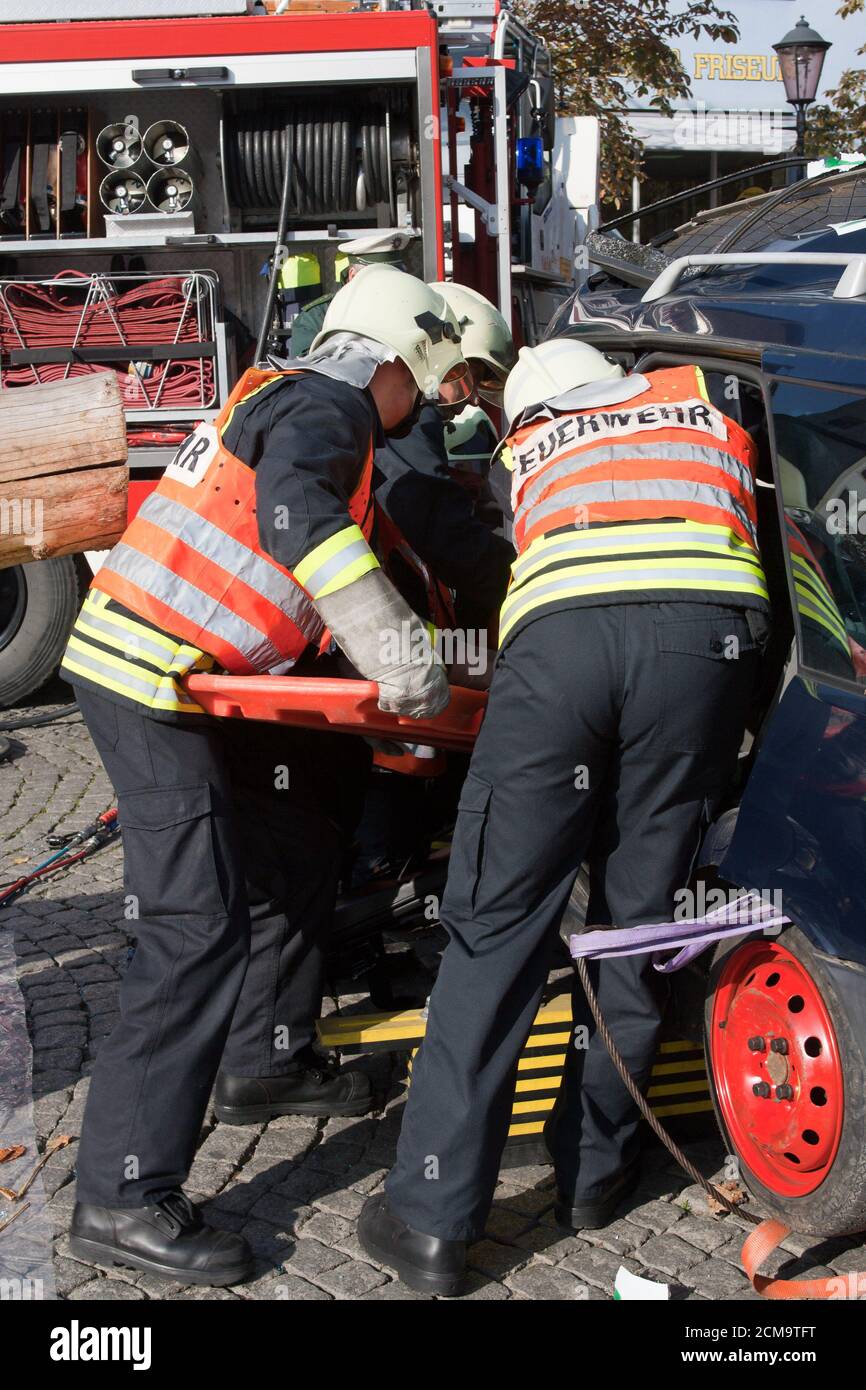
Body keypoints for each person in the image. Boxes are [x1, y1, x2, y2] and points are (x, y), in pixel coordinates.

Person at [60, 265, 473, 1287]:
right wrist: (394, 651)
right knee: (192, 926)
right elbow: (296, 521)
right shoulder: (327, 407)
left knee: (291, 853)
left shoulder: (293, 395)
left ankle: (264, 1057)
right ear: (384, 364)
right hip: (148, 680)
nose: (418, 403)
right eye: (416, 382)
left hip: (187, 678)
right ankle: (120, 1195)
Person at [358, 338, 772, 1295]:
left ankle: (429, 1219)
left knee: (498, 924)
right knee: (639, 918)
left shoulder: (535, 437)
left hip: (567, 647)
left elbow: (500, 566)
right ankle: (593, 1173)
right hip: (701, 645)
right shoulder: (703, 410)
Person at [288, 228, 415, 356]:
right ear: (353, 276)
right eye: (379, 277)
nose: (389, 285)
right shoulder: (316, 317)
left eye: (396, 276)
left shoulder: (414, 307)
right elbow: (304, 369)